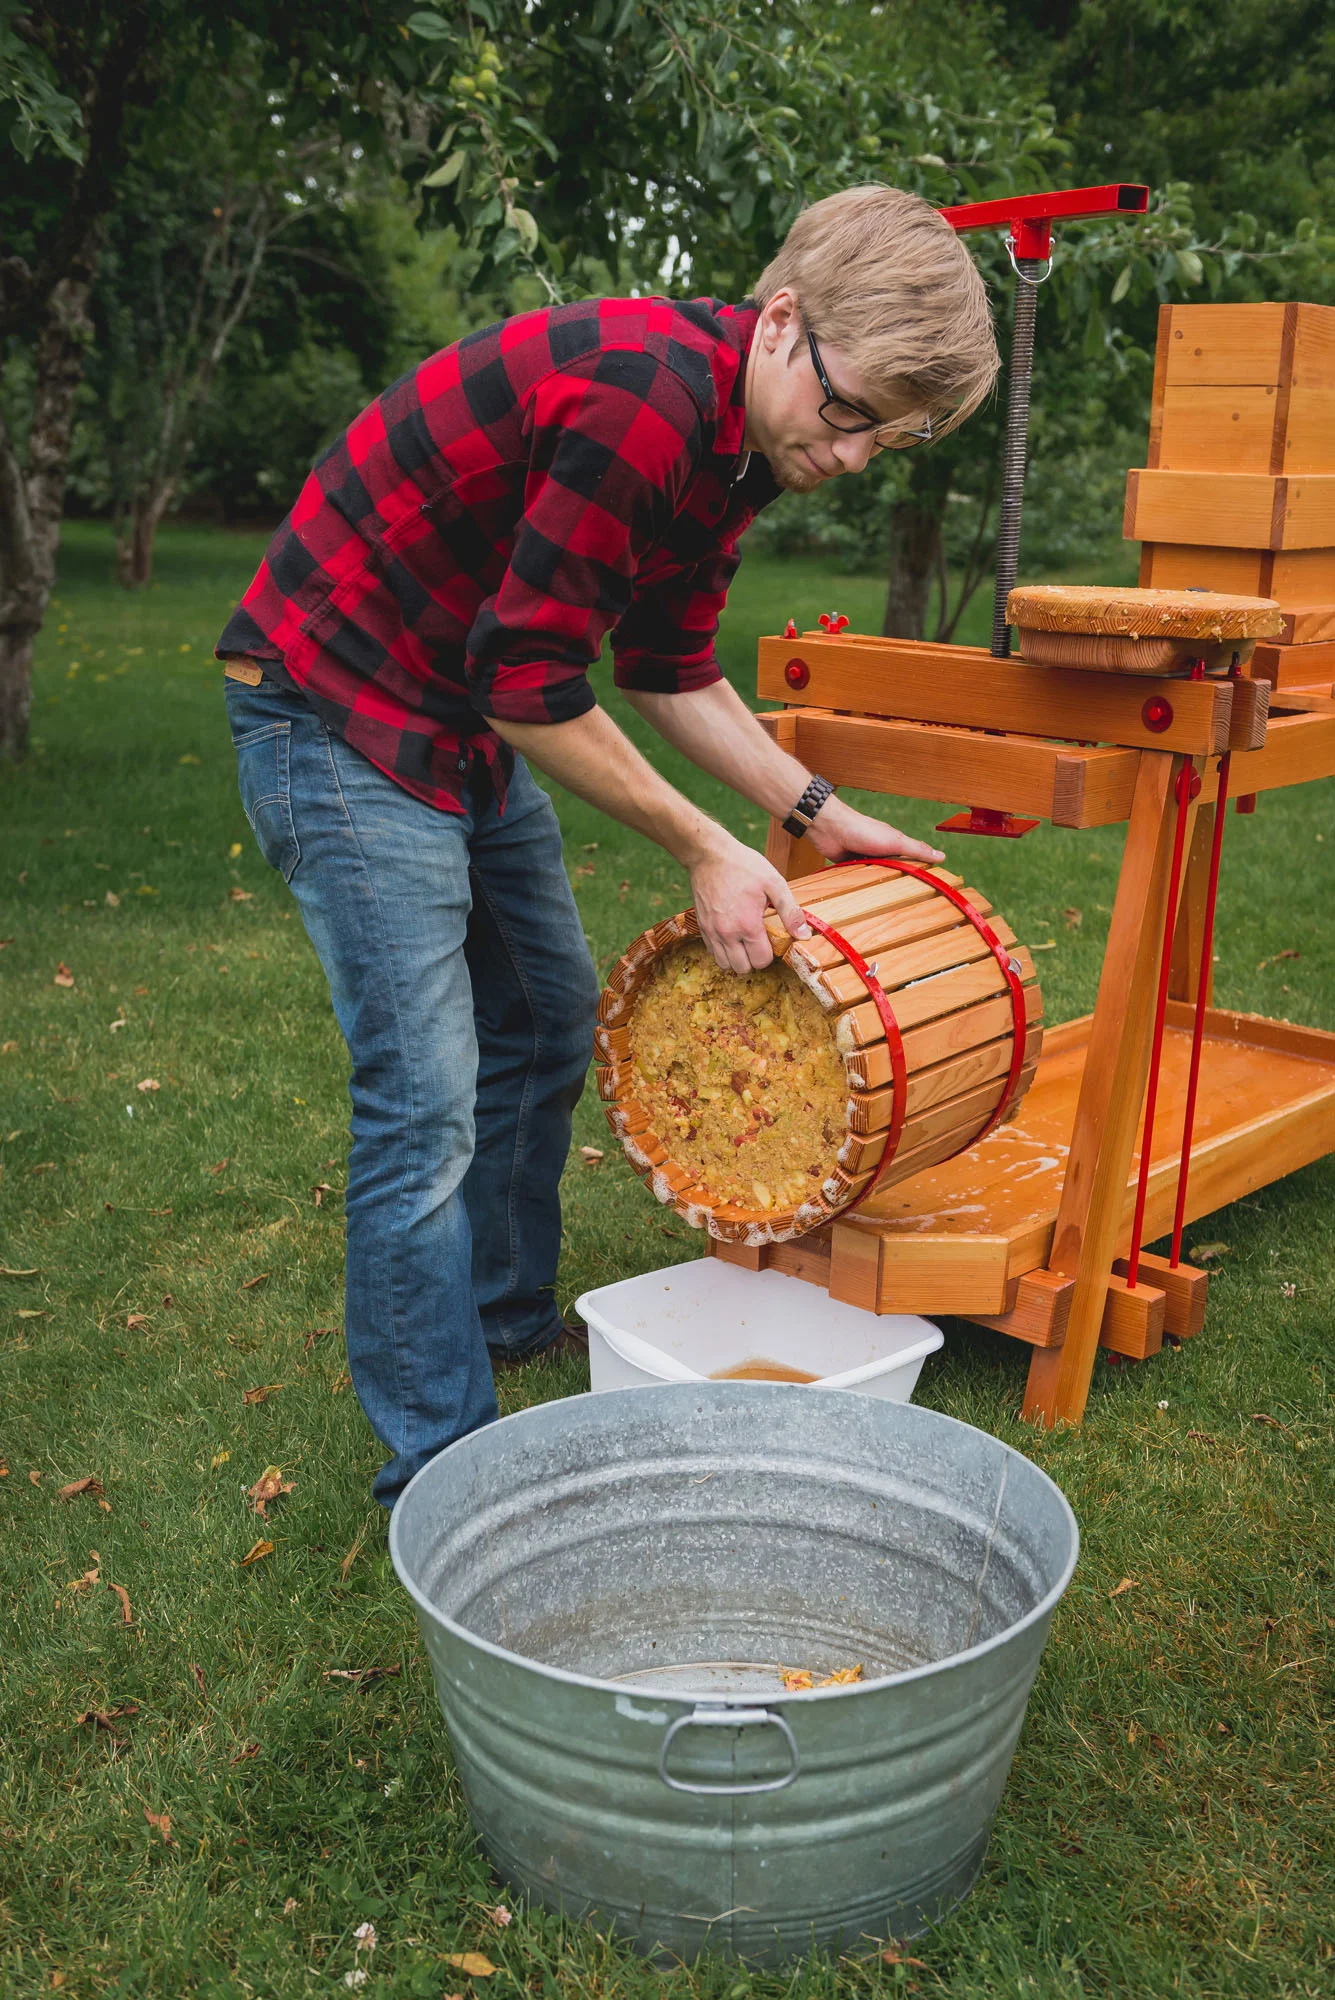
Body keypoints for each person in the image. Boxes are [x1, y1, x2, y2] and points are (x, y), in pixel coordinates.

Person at [215, 183, 999, 1508]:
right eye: (853, 413)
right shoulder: (640, 397)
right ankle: (446, 1465)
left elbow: (666, 664)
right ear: (782, 321)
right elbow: (528, 679)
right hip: (329, 706)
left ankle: (502, 1313)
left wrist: (814, 812)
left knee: (545, 1009)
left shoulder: (739, 448)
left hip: (452, 704)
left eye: (890, 443)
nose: (854, 456)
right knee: (424, 1091)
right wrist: (703, 845)